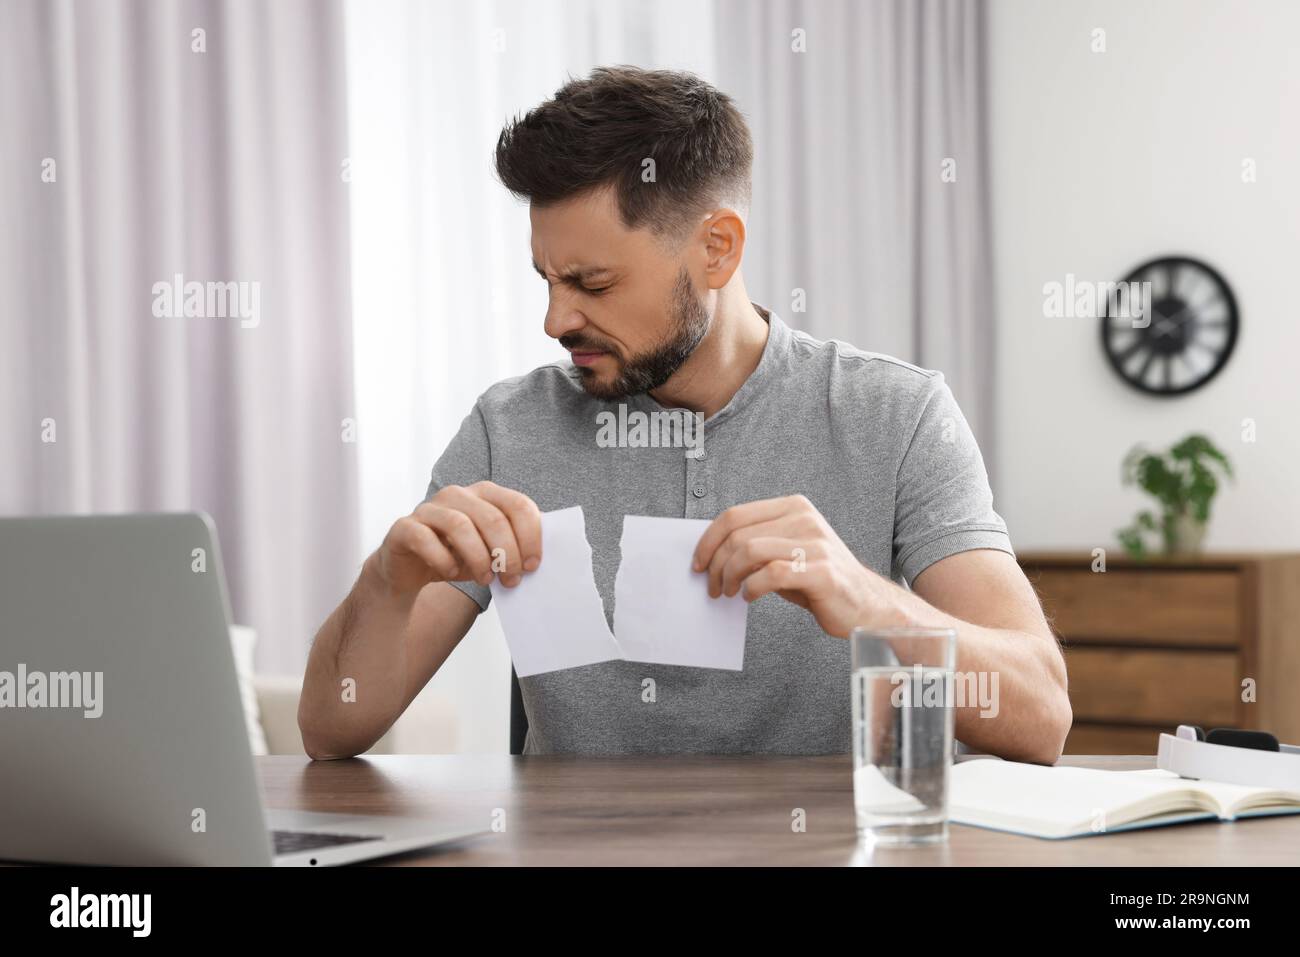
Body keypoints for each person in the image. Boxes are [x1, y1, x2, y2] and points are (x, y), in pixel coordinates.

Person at [300, 66, 1070, 763]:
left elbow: (1042, 718)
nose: (555, 319)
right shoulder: (510, 427)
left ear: (717, 249)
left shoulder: (895, 416)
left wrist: (872, 601)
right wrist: (386, 582)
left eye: (591, 283)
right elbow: (330, 731)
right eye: (545, 278)